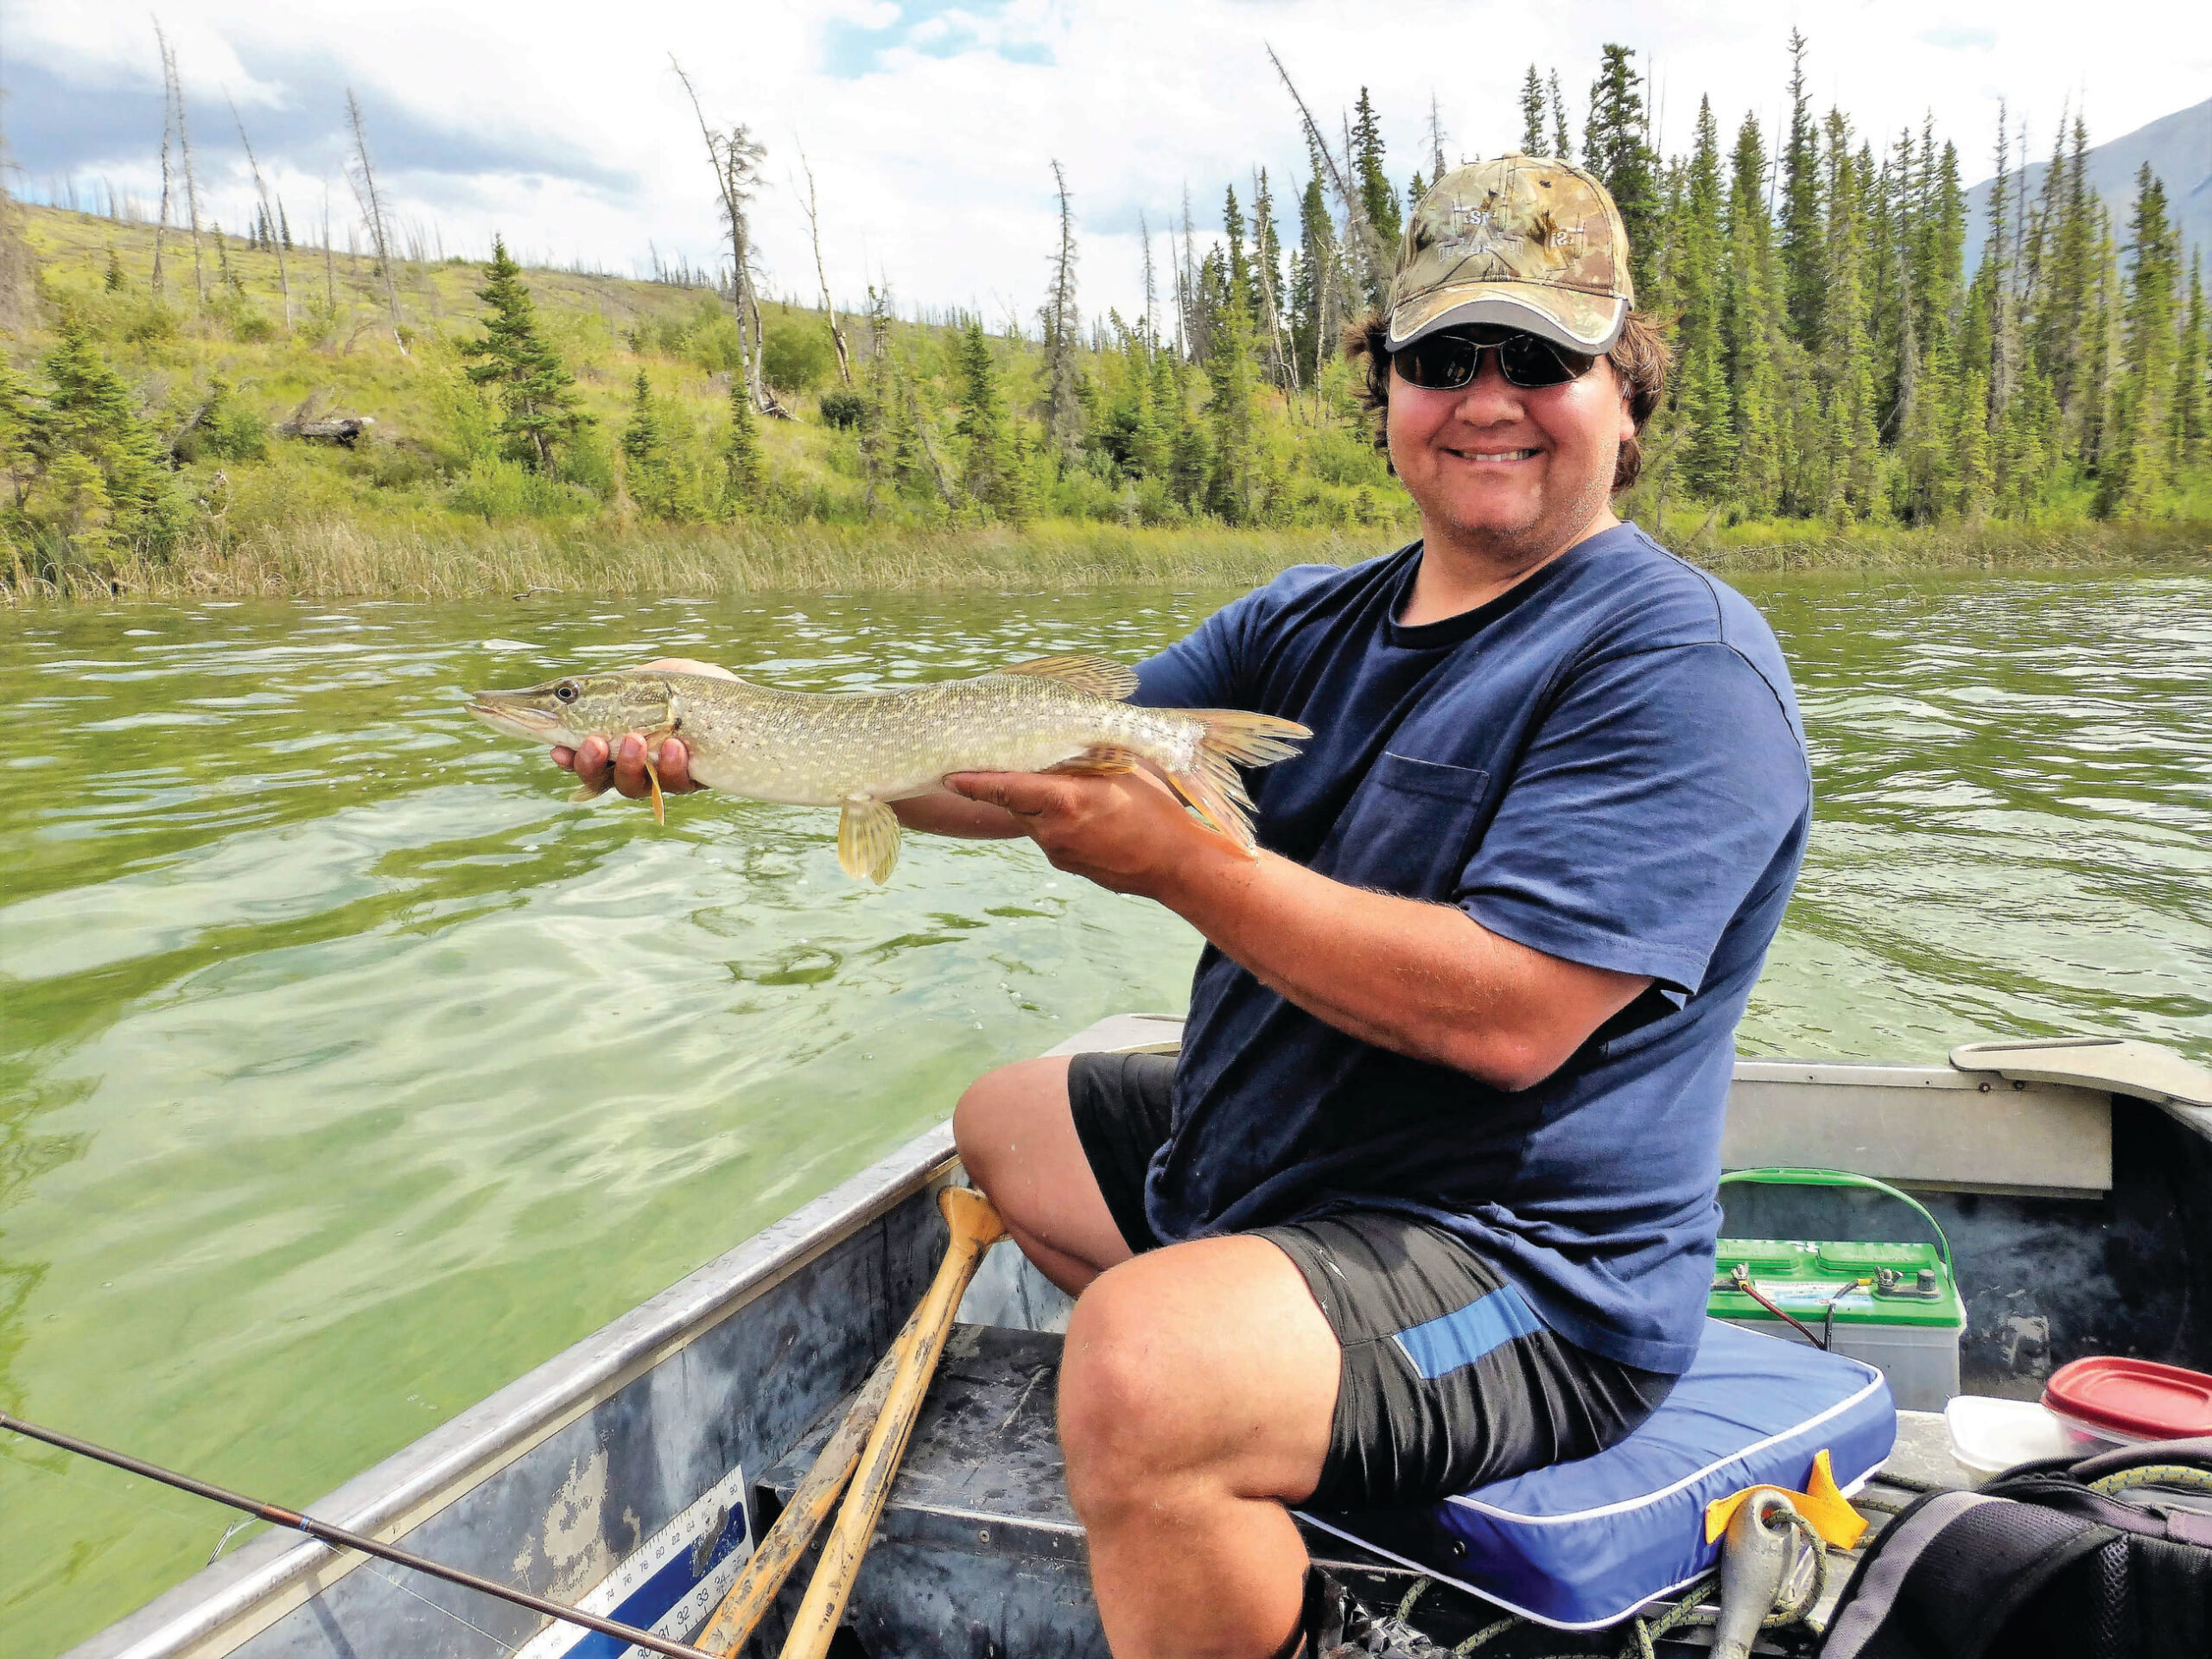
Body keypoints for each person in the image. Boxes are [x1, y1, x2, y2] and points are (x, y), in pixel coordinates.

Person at [559, 156, 1811, 1659]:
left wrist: (1177, 862)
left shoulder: (1679, 668)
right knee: (1007, 1119)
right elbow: (1005, 766)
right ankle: (1254, 1437)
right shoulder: (1301, 620)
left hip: (1528, 1270)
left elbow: (1513, 1017)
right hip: (1286, 1168)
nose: (1488, 398)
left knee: (1138, 1367)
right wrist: (735, 728)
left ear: (1626, 395)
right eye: (1441, 359)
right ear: (1388, 393)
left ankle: (1234, 1488)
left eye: (1541, 358)